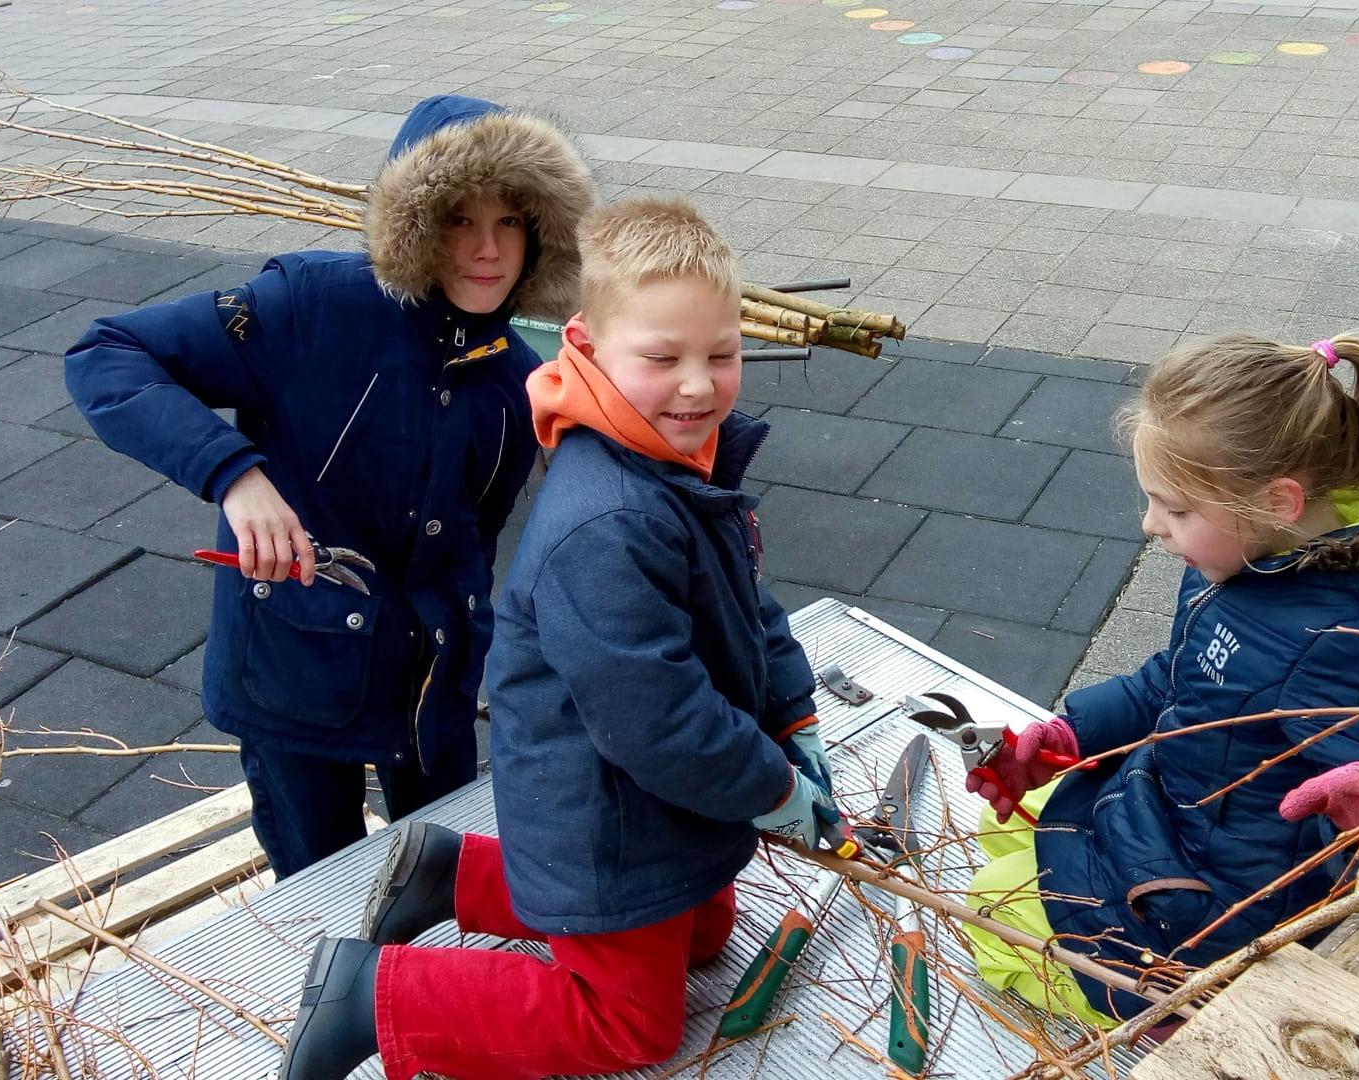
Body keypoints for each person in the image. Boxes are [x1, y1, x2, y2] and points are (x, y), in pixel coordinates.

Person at [274, 196, 845, 1080]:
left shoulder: (682, 459)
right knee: (631, 1024)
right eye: (663, 358)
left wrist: (793, 716)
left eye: (722, 355)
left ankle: (453, 877)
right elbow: (658, 719)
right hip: (603, 808)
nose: (699, 386)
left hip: (659, 795)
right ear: (585, 344)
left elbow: (748, 602)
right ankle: (376, 994)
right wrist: (770, 787)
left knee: (705, 932)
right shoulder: (608, 524)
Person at [63, 95, 596, 877]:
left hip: (431, 688)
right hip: (295, 675)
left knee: (449, 885)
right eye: (458, 219)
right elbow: (106, 355)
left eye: (509, 220)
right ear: (416, 224)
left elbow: (472, 544)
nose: (487, 249)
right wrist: (233, 474)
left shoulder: (515, 378)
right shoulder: (312, 308)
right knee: (318, 888)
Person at [961, 333, 1359, 1027]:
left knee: (989, 911)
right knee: (1008, 815)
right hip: (1179, 800)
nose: (1151, 525)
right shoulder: (1253, 555)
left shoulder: (1349, 643)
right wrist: (1070, 736)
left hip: (1220, 891)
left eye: (1176, 509)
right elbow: (1182, 680)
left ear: (1279, 499)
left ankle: (1170, 1016)